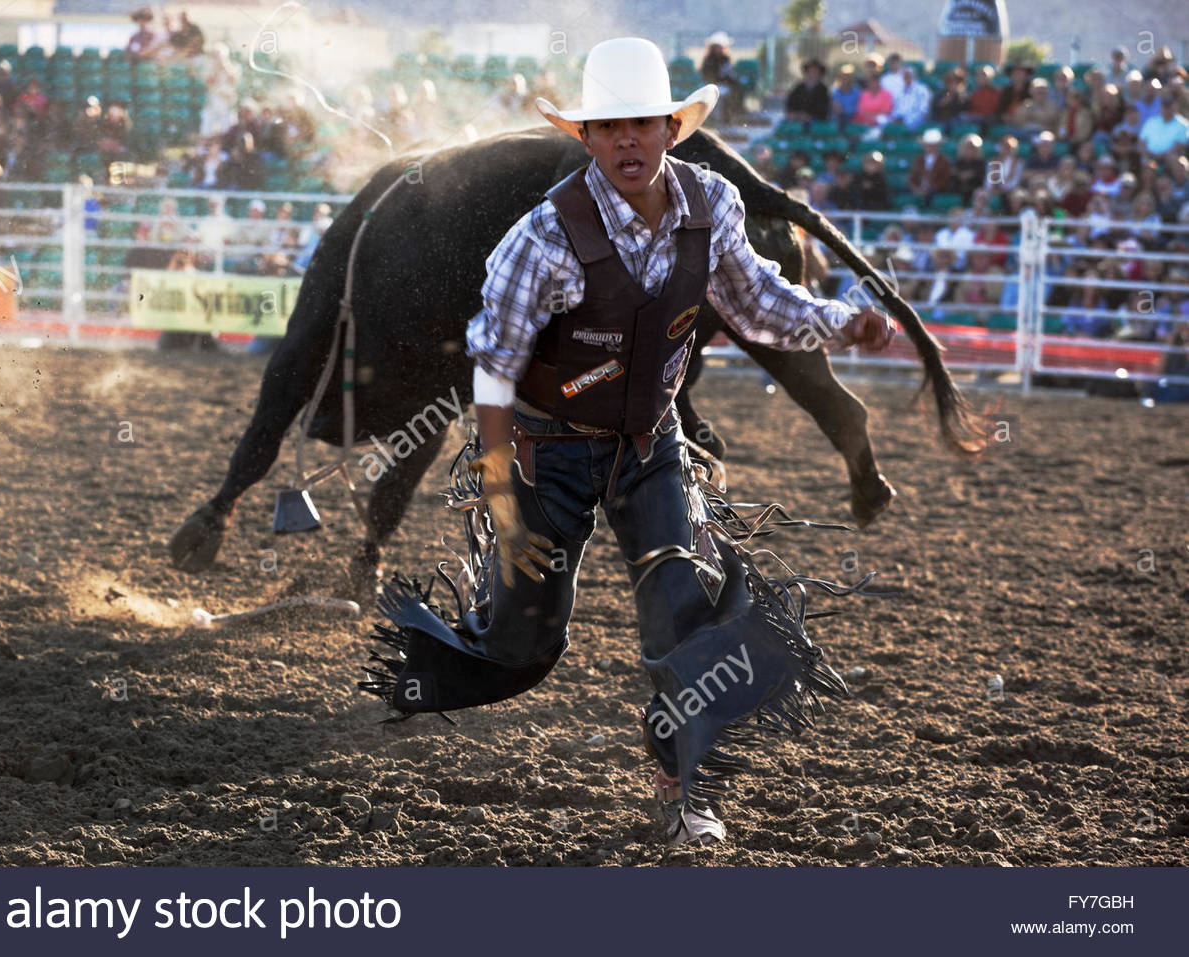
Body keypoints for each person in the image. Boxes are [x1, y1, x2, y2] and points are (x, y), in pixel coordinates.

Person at [363, 37, 897, 847]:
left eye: (642, 123)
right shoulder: (542, 237)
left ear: (671, 129)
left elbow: (758, 302)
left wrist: (841, 322)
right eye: (609, 127)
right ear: (586, 138)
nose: (627, 141)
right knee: (525, 644)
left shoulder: (711, 207)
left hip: (651, 445)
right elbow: (494, 368)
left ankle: (681, 794)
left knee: (685, 616)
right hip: (547, 450)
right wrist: (500, 495)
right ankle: (428, 662)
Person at [699, 31, 742, 124]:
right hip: (710, 85)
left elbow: (728, 74)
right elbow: (707, 74)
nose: (718, 49)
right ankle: (714, 120)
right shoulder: (708, 59)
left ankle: (730, 117)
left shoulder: (725, 59)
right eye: (716, 46)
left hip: (723, 85)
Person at [909, 128, 952, 202]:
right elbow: (912, 178)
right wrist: (916, 189)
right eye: (929, 145)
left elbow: (944, 181)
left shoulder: (944, 161)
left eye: (934, 145)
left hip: (935, 192)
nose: (931, 147)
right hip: (919, 190)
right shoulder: (919, 160)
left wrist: (929, 190)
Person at [785, 59, 830, 123]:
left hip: (816, 124)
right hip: (796, 122)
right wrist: (795, 114)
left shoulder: (823, 90)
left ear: (820, 74)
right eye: (809, 72)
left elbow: (823, 110)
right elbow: (790, 104)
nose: (812, 75)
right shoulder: (798, 88)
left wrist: (809, 116)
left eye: (815, 72)